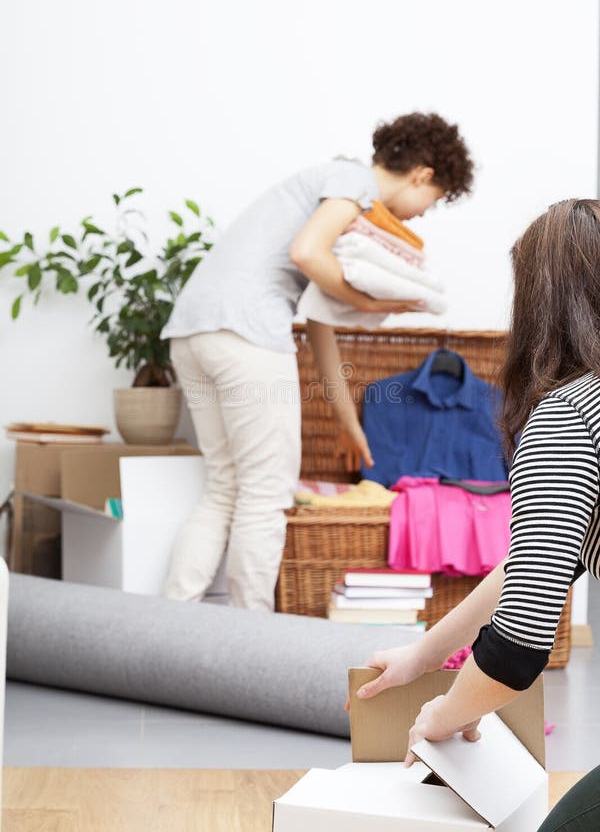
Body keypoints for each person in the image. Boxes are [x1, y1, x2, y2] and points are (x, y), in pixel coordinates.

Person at [353, 198, 600, 831]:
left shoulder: (570, 412)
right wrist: (428, 654)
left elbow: (519, 643)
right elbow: (537, 561)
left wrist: (445, 714)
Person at [161, 112, 474, 612]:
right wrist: (374, 305)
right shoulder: (351, 180)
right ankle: (251, 636)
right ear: (423, 174)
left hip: (194, 332)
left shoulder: (327, 198)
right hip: (246, 331)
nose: (418, 215)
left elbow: (318, 325)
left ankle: (170, 620)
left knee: (224, 486)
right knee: (266, 493)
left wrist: (348, 423)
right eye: (430, 202)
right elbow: (307, 254)